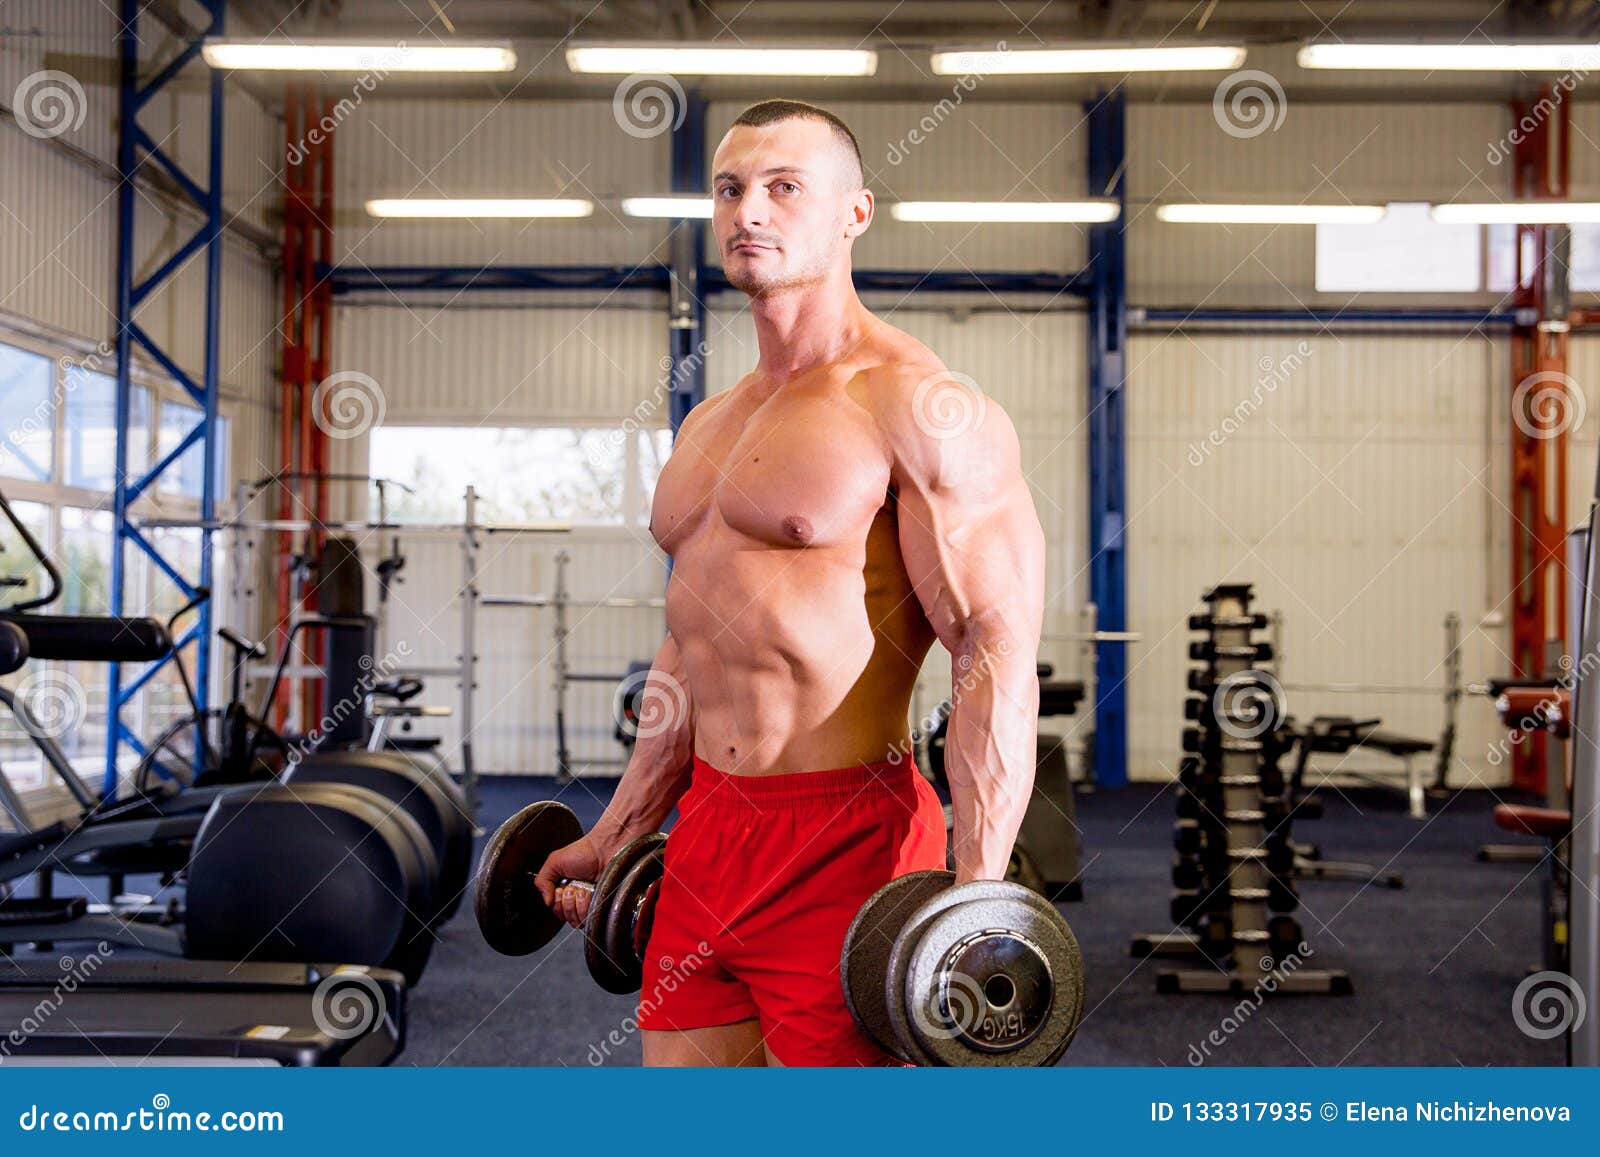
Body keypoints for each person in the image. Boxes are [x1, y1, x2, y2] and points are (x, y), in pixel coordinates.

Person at [535, 98, 1046, 1067]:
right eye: (730, 189)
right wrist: (616, 829)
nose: (748, 212)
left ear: (854, 212)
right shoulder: (707, 426)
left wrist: (977, 891)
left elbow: (993, 648)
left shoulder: (916, 403)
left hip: (847, 840)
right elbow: (692, 645)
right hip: (708, 834)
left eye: (782, 187)